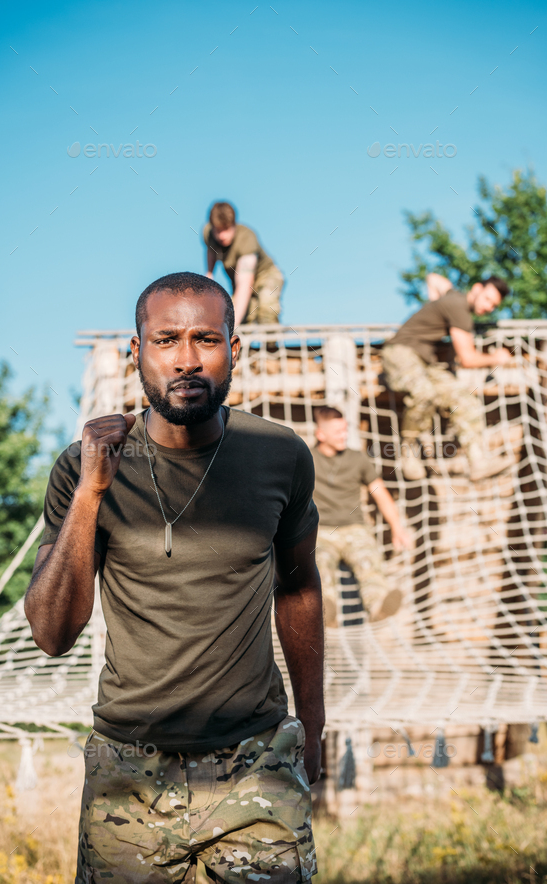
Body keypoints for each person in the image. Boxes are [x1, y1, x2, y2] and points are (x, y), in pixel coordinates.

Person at [24, 272, 323, 883]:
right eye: (165, 341)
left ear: (234, 351)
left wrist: (312, 726)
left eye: (205, 339)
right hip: (129, 771)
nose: (186, 360)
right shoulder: (84, 468)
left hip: (256, 761)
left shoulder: (281, 455)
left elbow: (299, 590)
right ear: (138, 354)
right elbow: (52, 632)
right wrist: (91, 493)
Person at [382, 275, 514, 481]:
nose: (489, 307)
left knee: (464, 398)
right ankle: (408, 454)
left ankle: (478, 462)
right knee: (423, 392)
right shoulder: (460, 308)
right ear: (477, 288)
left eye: (494, 305)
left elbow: (432, 277)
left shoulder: (452, 296)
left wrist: (434, 300)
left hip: (425, 363)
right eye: (488, 299)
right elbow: (467, 358)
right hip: (400, 352)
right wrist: (496, 357)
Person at [311, 406, 412, 628]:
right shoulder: (308, 460)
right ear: (321, 434)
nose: (344, 435)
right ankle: (325, 612)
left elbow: (380, 494)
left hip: (354, 528)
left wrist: (397, 528)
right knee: (319, 566)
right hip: (321, 531)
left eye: (345, 430)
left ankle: (377, 607)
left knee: (369, 563)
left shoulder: (357, 459)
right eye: (338, 431)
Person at [204, 201, 284, 327]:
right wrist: (209, 272)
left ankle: (271, 346)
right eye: (218, 230)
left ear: (234, 225)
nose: (221, 236)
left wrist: (232, 327)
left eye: (226, 229)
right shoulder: (208, 233)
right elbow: (211, 250)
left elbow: (245, 284)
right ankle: (246, 346)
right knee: (245, 316)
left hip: (265, 275)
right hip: (238, 280)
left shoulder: (246, 239)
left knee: (266, 309)